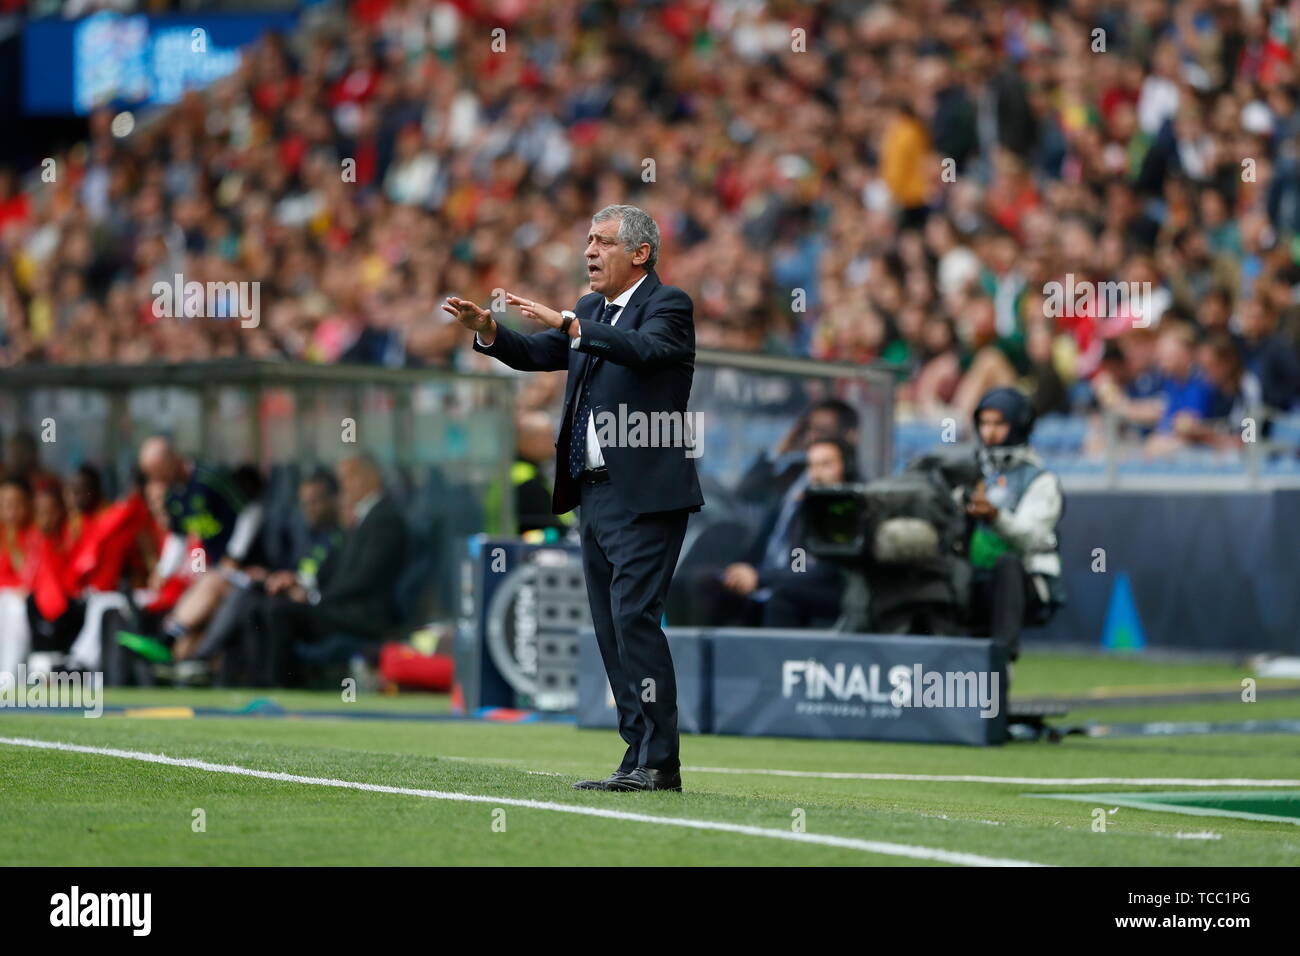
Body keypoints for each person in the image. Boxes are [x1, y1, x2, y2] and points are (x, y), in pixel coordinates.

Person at [445, 203, 702, 793]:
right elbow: (540, 355)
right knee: (612, 629)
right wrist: (488, 330)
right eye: (587, 238)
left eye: (602, 241)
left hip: (648, 495)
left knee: (636, 620)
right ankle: (636, 754)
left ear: (640, 253)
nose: (589, 250)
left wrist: (572, 327)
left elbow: (644, 352)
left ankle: (661, 762)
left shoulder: (668, 306)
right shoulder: (587, 311)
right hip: (594, 493)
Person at [254, 453, 407, 686]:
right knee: (263, 605)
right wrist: (303, 585)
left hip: (364, 616)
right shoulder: (359, 520)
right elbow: (337, 572)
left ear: (371, 478)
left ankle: (280, 684)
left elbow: (365, 578)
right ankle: (248, 678)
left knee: (280, 612)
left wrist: (317, 598)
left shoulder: (385, 520)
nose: (344, 486)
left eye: (349, 478)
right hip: (341, 608)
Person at [964, 387, 1065, 665]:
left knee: (1008, 564)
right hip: (973, 577)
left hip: (1025, 581)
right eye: (984, 423)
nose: (990, 432)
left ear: (1019, 425)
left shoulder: (1041, 480)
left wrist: (995, 517)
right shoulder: (969, 470)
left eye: (999, 423)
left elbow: (1030, 537)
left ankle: (1002, 658)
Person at [712, 436, 855, 628]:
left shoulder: (850, 507)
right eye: (812, 466)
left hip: (846, 592)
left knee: (782, 596)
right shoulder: (806, 507)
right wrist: (748, 574)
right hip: (804, 581)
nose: (817, 474)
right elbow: (800, 564)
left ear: (846, 467)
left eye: (826, 464)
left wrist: (760, 578)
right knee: (717, 587)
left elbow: (824, 572)